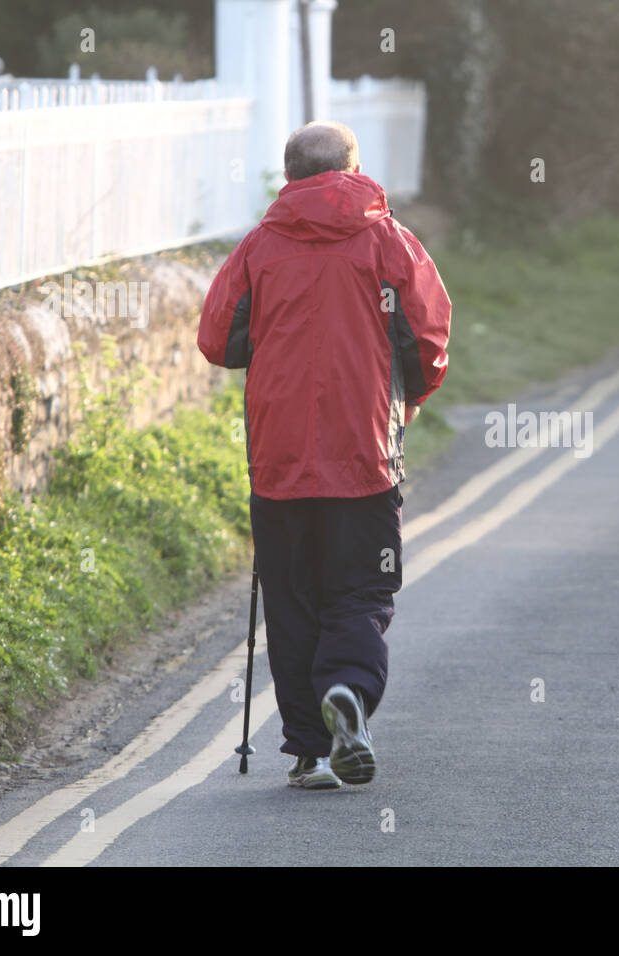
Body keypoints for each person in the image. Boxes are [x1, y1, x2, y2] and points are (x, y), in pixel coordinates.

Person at [197, 121, 451, 789]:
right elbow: (428, 334)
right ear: (354, 167)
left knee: (291, 599)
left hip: (278, 460)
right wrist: (414, 395)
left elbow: (220, 341)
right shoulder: (389, 242)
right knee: (362, 591)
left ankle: (310, 750)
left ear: (289, 178)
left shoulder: (259, 247)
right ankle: (348, 690)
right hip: (365, 454)